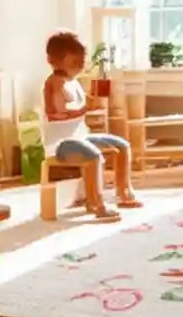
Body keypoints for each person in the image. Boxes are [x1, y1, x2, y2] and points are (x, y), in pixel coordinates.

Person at [43, 30, 141, 220]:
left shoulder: (74, 82)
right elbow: (55, 114)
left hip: (79, 137)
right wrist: (83, 111)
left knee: (122, 146)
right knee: (94, 156)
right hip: (60, 144)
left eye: (81, 62)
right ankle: (95, 203)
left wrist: (91, 104)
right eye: (74, 63)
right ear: (54, 61)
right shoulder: (54, 83)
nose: (80, 67)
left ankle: (124, 193)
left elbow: (80, 106)